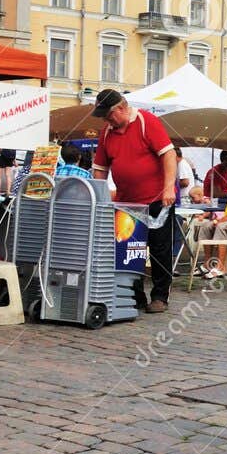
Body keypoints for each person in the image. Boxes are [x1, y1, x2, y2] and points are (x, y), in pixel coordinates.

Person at [90, 89, 178, 313]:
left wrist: (169, 187)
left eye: (108, 115)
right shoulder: (107, 132)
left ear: (120, 108)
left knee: (159, 250)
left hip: (157, 200)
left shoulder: (146, 121)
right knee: (129, 251)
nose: (106, 120)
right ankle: (133, 296)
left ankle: (160, 296)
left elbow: (168, 155)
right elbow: (100, 169)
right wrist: (99, 196)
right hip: (127, 203)